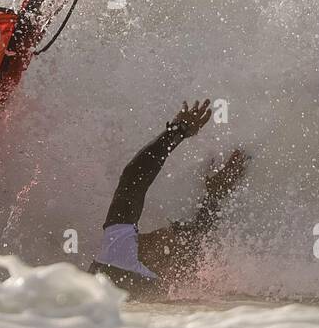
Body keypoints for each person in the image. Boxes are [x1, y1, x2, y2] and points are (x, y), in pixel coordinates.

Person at [89, 99, 247, 296]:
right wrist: (214, 195)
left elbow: (133, 178)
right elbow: (134, 178)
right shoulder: (154, 287)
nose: (156, 234)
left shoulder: (123, 259)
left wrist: (177, 131)